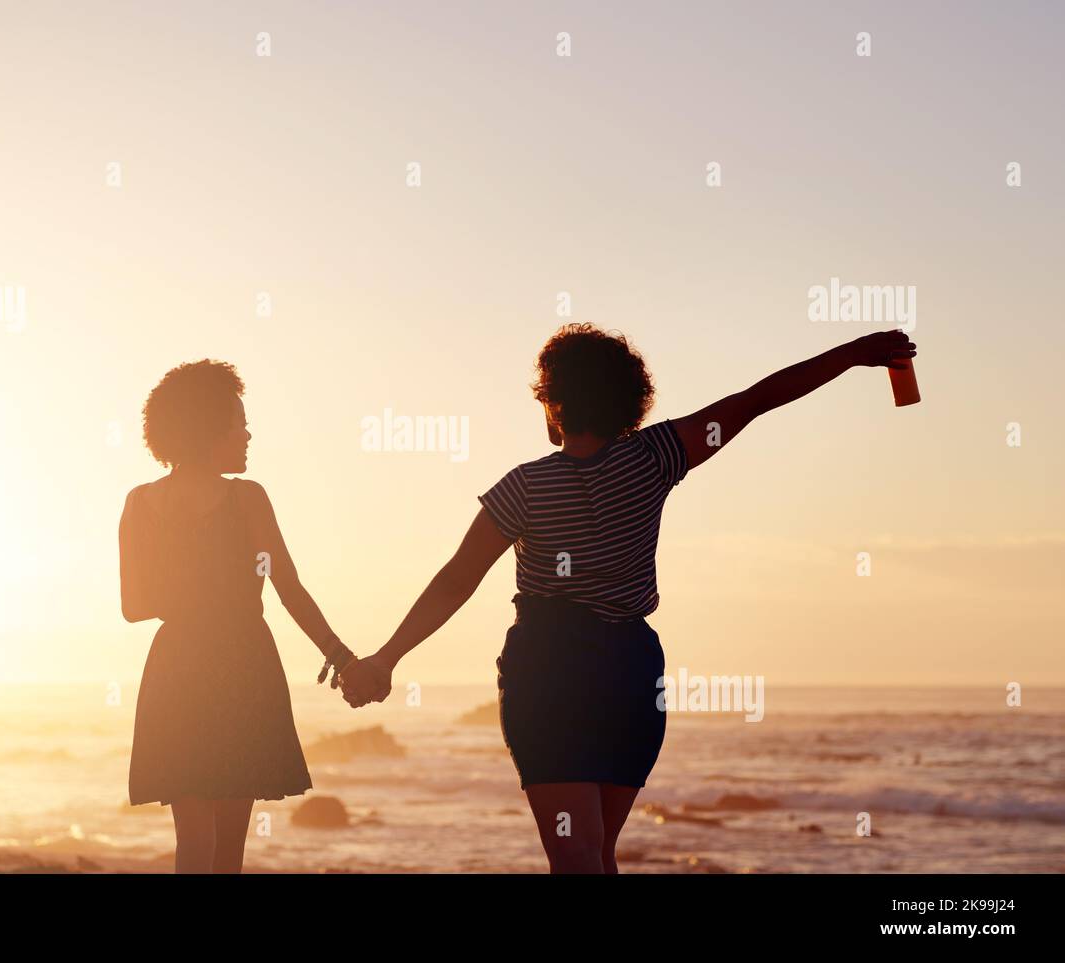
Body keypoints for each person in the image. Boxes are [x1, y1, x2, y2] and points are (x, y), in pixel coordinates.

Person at [339, 323, 917, 873]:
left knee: (577, 858)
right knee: (595, 855)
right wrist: (853, 353)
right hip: (632, 673)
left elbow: (457, 579)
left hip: (550, 671)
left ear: (554, 401)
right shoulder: (656, 456)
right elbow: (756, 398)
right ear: (625, 400)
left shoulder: (524, 486)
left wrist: (387, 658)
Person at [119, 359, 364, 873]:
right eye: (239, 421)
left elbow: (134, 607)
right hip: (241, 663)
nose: (248, 433)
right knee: (229, 849)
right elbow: (289, 588)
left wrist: (189, 596)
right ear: (209, 428)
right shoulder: (246, 499)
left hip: (176, 667)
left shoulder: (139, 504)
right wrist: (338, 655)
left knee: (193, 840)